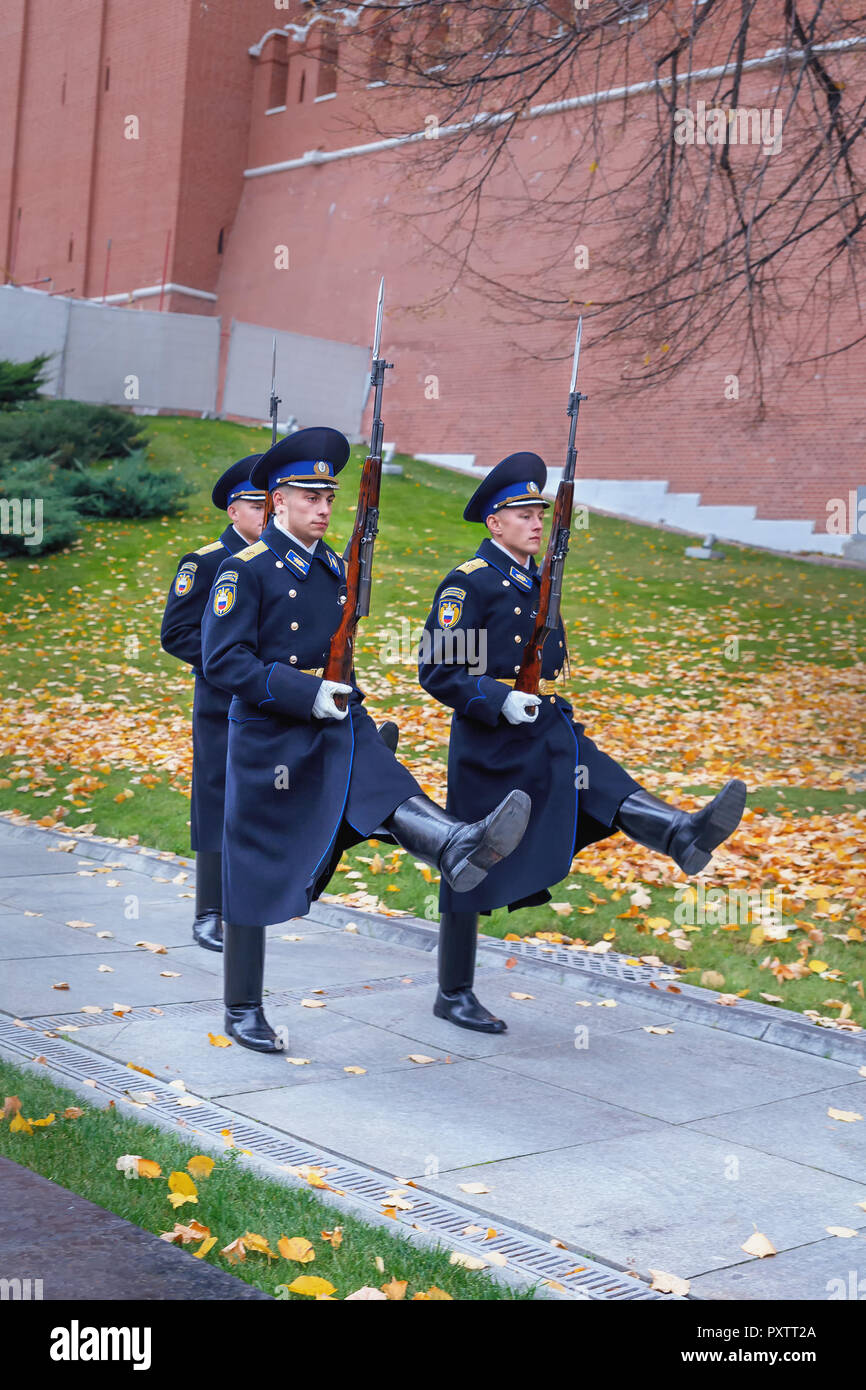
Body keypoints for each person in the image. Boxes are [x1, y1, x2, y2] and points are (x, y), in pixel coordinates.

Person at [200, 427, 531, 1052]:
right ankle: (242, 1006)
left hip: (333, 721)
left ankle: (456, 845)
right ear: (276, 500)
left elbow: (338, 648)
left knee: (380, 777)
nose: (324, 508)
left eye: (329, 496)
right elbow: (224, 661)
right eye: (309, 496)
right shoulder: (243, 571)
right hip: (270, 737)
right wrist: (302, 691)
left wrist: (340, 697)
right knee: (255, 867)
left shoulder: (330, 565)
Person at [418, 451, 747, 1034]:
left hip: (539, 727)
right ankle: (454, 991)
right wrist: (498, 699)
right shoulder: (469, 584)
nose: (536, 522)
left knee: (594, 775)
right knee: (469, 863)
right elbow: (440, 672)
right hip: (489, 743)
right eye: (522, 513)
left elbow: (549, 659)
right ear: (494, 523)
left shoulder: (536, 578)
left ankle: (679, 833)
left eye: (539, 513)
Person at [160, 457, 266, 952]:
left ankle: (256, 899)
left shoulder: (276, 562)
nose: (265, 512)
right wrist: (227, 662)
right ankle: (209, 912)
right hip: (221, 703)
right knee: (217, 798)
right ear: (232, 510)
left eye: (271, 503)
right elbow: (175, 633)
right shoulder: (204, 562)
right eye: (255, 503)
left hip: (272, 700)